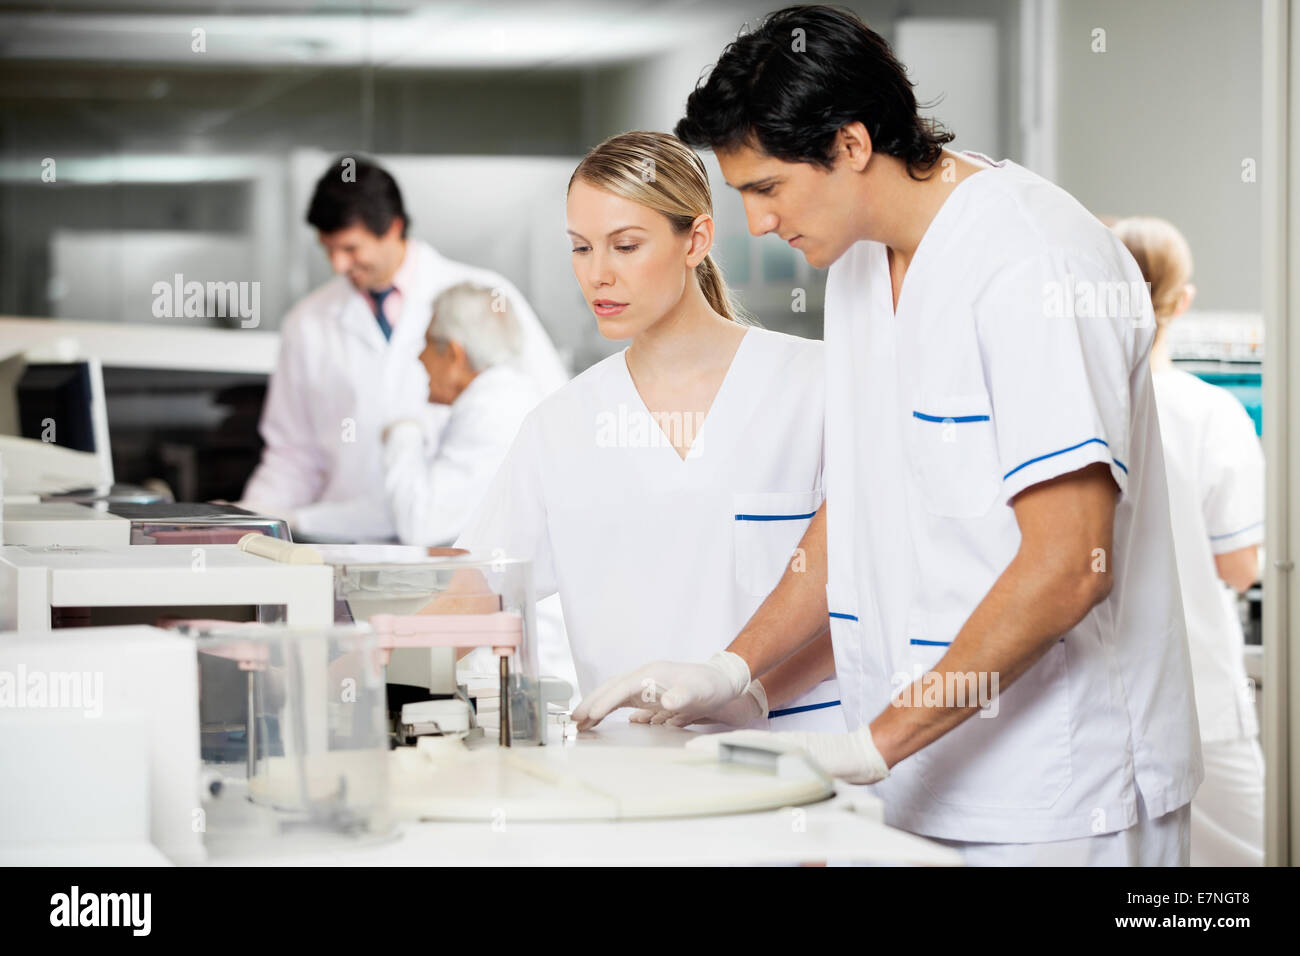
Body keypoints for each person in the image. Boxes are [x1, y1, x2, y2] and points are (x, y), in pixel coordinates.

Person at [573, 5, 1202, 866]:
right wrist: (732, 669)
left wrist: (875, 740)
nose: (757, 224)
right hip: (914, 783)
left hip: (1058, 796)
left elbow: (1068, 566)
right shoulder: (861, 262)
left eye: (766, 188)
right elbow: (864, 505)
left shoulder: (1034, 264)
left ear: (853, 144)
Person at [455, 130, 843, 731]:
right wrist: (342, 659)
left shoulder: (814, 387)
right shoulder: (561, 427)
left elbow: (872, 590)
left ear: (697, 240)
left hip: (793, 764)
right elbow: (474, 592)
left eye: (626, 245)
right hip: (630, 781)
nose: (598, 275)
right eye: (581, 249)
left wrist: (752, 692)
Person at [240, 157, 567, 542]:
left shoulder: (484, 296)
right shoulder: (307, 323)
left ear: (393, 228)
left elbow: (555, 417)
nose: (338, 264)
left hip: (459, 546)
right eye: (327, 249)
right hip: (344, 543)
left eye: (350, 247)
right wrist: (248, 527)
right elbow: (292, 454)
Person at [1113, 216, 1265, 867]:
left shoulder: (1082, 406)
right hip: (1201, 695)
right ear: (1183, 301)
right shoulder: (1209, 412)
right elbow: (1239, 568)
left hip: (1106, 701)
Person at [381, 282, 541, 547]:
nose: (421, 357)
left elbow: (421, 526)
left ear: (455, 354)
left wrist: (403, 434)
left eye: (428, 343)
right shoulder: (500, 398)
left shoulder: (493, 411)